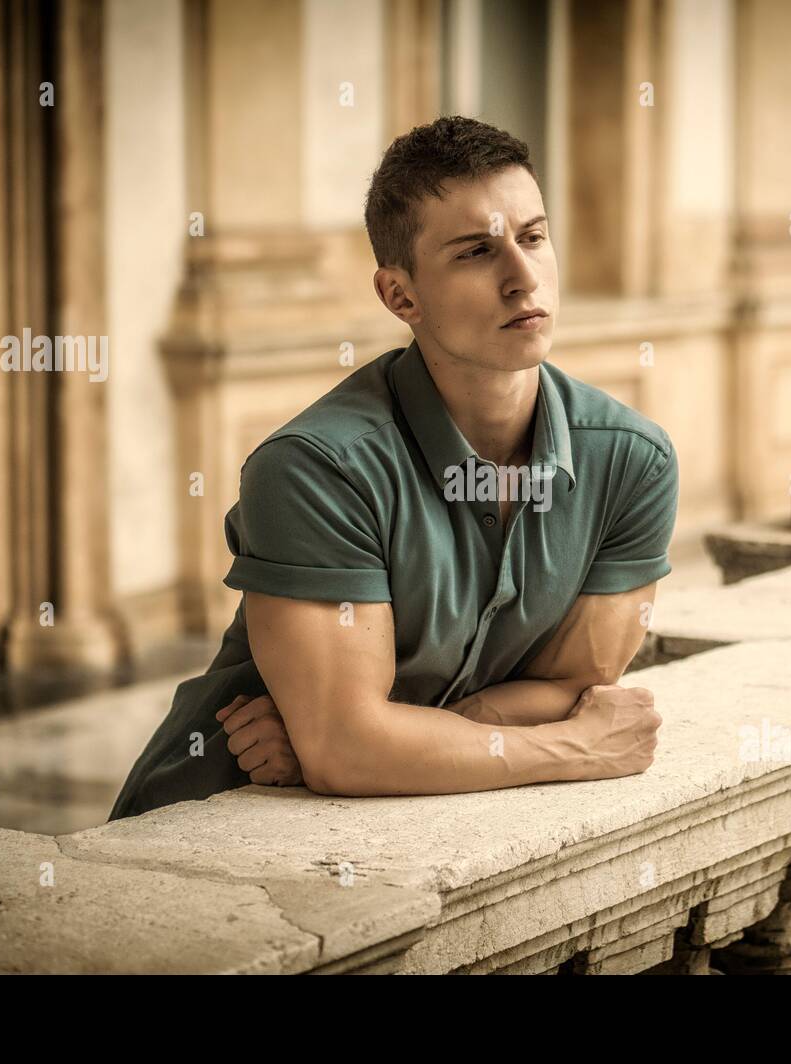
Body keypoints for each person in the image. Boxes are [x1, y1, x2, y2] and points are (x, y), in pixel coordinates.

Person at [108, 116, 677, 820]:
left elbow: (577, 690)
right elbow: (354, 750)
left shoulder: (631, 461)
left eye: (533, 237)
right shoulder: (314, 471)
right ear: (400, 296)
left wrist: (378, 740)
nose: (523, 277)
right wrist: (576, 749)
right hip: (213, 823)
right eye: (476, 252)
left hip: (368, 808)